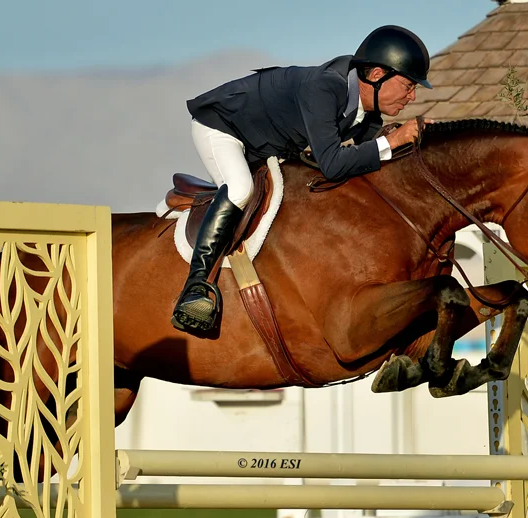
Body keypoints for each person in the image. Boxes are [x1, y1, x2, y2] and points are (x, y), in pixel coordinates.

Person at [171, 24, 432, 334]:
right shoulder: (325, 87)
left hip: (265, 145)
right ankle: (195, 288)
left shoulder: (368, 115)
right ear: (377, 74)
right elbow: (333, 164)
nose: (412, 97)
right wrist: (393, 140)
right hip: (222, 127)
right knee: (240, 189)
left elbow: (362, 162)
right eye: (408, 85)